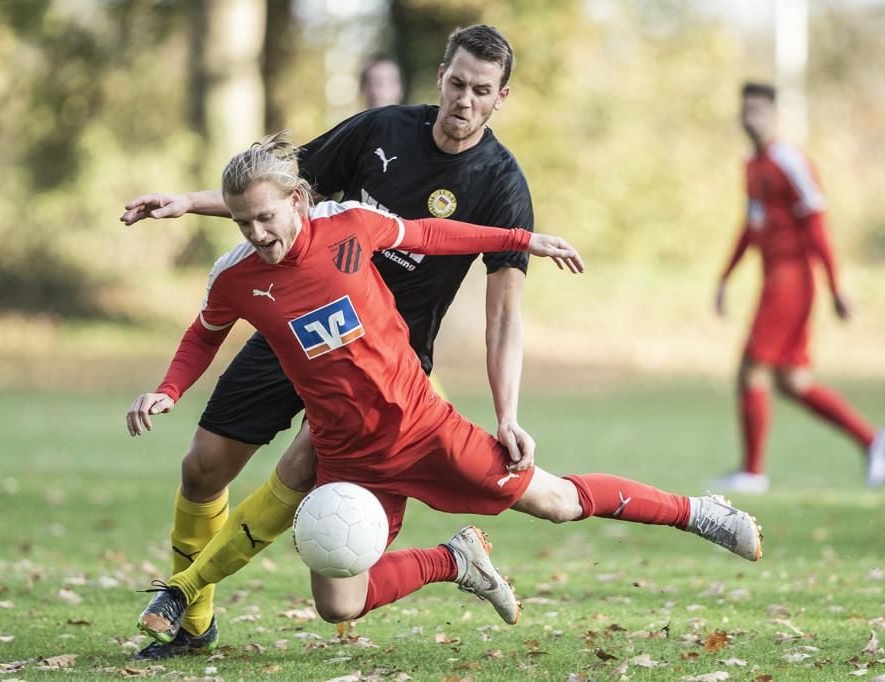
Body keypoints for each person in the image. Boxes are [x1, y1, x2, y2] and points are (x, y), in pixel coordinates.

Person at [127, 133, 763, 645]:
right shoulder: (236, 278)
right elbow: (203, 335)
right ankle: (455, 561)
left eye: (266, 218)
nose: (258, 236)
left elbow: (431, 234)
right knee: (338, 604)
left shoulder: (350, 225)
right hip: (347, 458)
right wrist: (168, 390)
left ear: (298, 200)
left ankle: (700, 512)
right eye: (243, 224)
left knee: (558, 502)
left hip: (423, 429)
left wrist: (521, 241)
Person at [120, 25, 546, 659]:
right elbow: (271, 196)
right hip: (294, 316)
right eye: (456, 82)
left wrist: (508, 413)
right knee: (202, 466)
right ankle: (196, 620)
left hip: (380, 363)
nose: (464, 99)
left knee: (296, 473)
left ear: (500, 96)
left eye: (480, 90)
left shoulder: (502, 183)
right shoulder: (380, 131)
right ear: (439, 76)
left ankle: (180, 596)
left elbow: (503, 312)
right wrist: (188, 202)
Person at [713, 81, 884, 494]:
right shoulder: (752, 166)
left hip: (792, 277)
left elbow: (817, 224)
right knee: (792, 382)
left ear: (773, 115)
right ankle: (873, 441)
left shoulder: (789, 160)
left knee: (751, 370)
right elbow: (750, 229)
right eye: (746, 111)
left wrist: (836, 285)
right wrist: (726, 276)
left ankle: (753, 474)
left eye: (758, 111)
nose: (750, 119)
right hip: (773, 277)